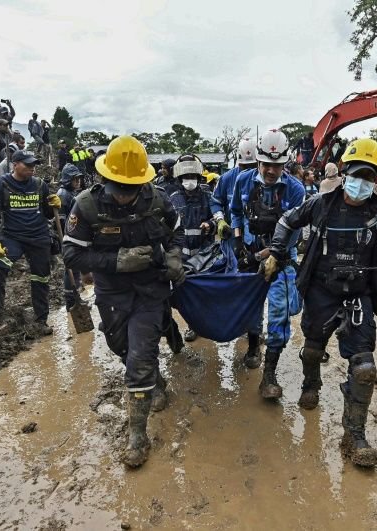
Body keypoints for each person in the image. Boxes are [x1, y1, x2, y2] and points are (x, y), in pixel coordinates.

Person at [265, 138, 377, 467]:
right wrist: (277, 253)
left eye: (369, 177)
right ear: (344, 173)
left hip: (359, 295)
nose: (361, 183)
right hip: (322, 291)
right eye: (357, 175)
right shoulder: (321, 204)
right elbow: (286, 221)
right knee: (313, 348)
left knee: (365, 368)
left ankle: (354, 436)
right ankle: (311, 382)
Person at [62, 136, 184, 467]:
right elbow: (71, 253)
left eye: (132, 188)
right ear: (105, 178)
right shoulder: (86, 205)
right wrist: (117, 260)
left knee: (139, 358)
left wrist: (174, 256)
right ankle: (154, 378)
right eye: (119, 186)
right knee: (123, 350)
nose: (125, 194)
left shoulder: (158, 201)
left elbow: (177, 232)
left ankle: (138, 436)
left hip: (150, 290)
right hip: (112, 293)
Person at [230, 129, 305, 395]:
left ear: (285, 164)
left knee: (279, 312)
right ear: (258, 161)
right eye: (266, 165)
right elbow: (236, 213)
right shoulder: (243, 181)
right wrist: (239, 242)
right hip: (250, 251)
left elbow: (294, 231)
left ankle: (270, 374)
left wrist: (269, 255)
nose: (271, 171)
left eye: (277, 165)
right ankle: (252, 345)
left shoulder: (295, 190)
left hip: (282, 257)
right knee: (250, 306)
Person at [0, 150, 58, 332]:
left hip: (39, 238)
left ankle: (41, 321)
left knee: (41, 278)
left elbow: (49, 215)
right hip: (13, 238)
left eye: (34, 165)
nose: (32, 169)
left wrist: (55, 206)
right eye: (27, 165)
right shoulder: (0, 185)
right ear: (14, 164)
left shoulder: (40, 185)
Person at [210, 136, 260, 363]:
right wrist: (220, 220)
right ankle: (240, 325)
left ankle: (254, 342)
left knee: (255, 293)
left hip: (258, 246)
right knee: (235, 288)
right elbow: (215, 202)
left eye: (252, 167)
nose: (247, 171)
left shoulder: (262, 181)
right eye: (244, 167)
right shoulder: (226, 179)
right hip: (232, 245)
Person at [169, 154, 216, 342]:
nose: (190, 181)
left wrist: (210, 224)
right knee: (187, 294)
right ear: (180, 179)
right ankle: (192, 326)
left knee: (206, 291)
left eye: (193, 177)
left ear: (199, 177)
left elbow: (220, 216)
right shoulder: (173, 198)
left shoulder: (208, 196)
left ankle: (208, 323)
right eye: (186, 178)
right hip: (183, 257)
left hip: (206, 254)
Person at [57, 163, 85, 305]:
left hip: (73, 236)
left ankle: (76, 297)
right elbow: (61, 221)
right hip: (68, 238)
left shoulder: (70, 194)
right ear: (68, 180)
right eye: (75, 179)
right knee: (71, 269)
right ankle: (71, 300)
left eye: (79, 179)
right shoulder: (63, 195)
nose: (78, 182)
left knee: (75, 268)